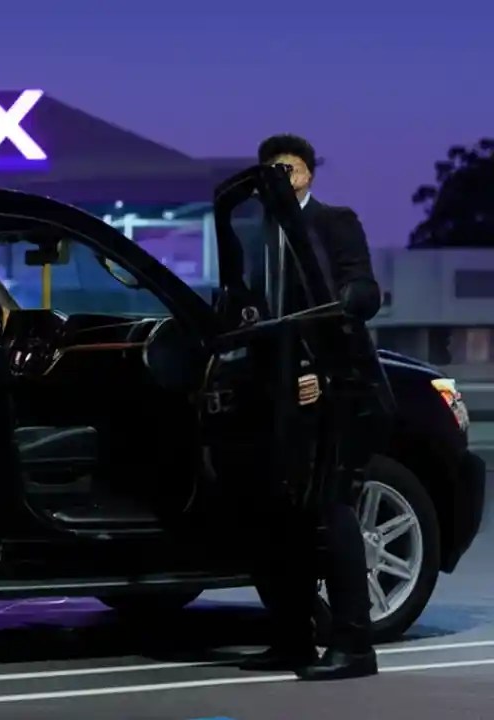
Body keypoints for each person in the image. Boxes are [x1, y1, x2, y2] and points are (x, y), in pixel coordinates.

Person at [240, 133, 390, 681]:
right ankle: (291, 639)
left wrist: (319, 371)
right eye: (269, 171)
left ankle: (354, 646)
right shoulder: (259, 237)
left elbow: (361, 295)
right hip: (278, 392)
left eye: (288, 169)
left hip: (336, 388)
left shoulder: (333, 222)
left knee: (333, 513)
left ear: (306, 174)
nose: (279, 179)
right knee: (279, 519)